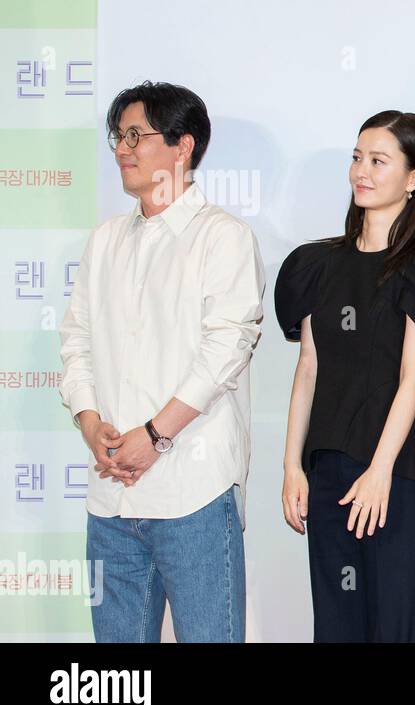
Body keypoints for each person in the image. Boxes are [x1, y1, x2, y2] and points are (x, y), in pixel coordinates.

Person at [59, 81, 264, 642]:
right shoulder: (103, 241)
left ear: (182, 146)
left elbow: (225, 352)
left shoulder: (223, 237)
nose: (122, 149)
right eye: (117, 137)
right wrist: (90, 422)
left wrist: (154, 435)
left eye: (135, 135)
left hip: (192, 491)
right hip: (111, 500)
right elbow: (75, 342)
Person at [275, 110, 415, 642]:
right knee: (336, 623)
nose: (362, 170)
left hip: (397, 468)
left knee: (393, 619)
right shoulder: (315, 264)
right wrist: (293, 465)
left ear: (414, 177)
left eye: (378, 160)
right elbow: (309, 367)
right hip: (330, 463)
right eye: (357, 157)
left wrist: (381, 470)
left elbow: (412, 379)